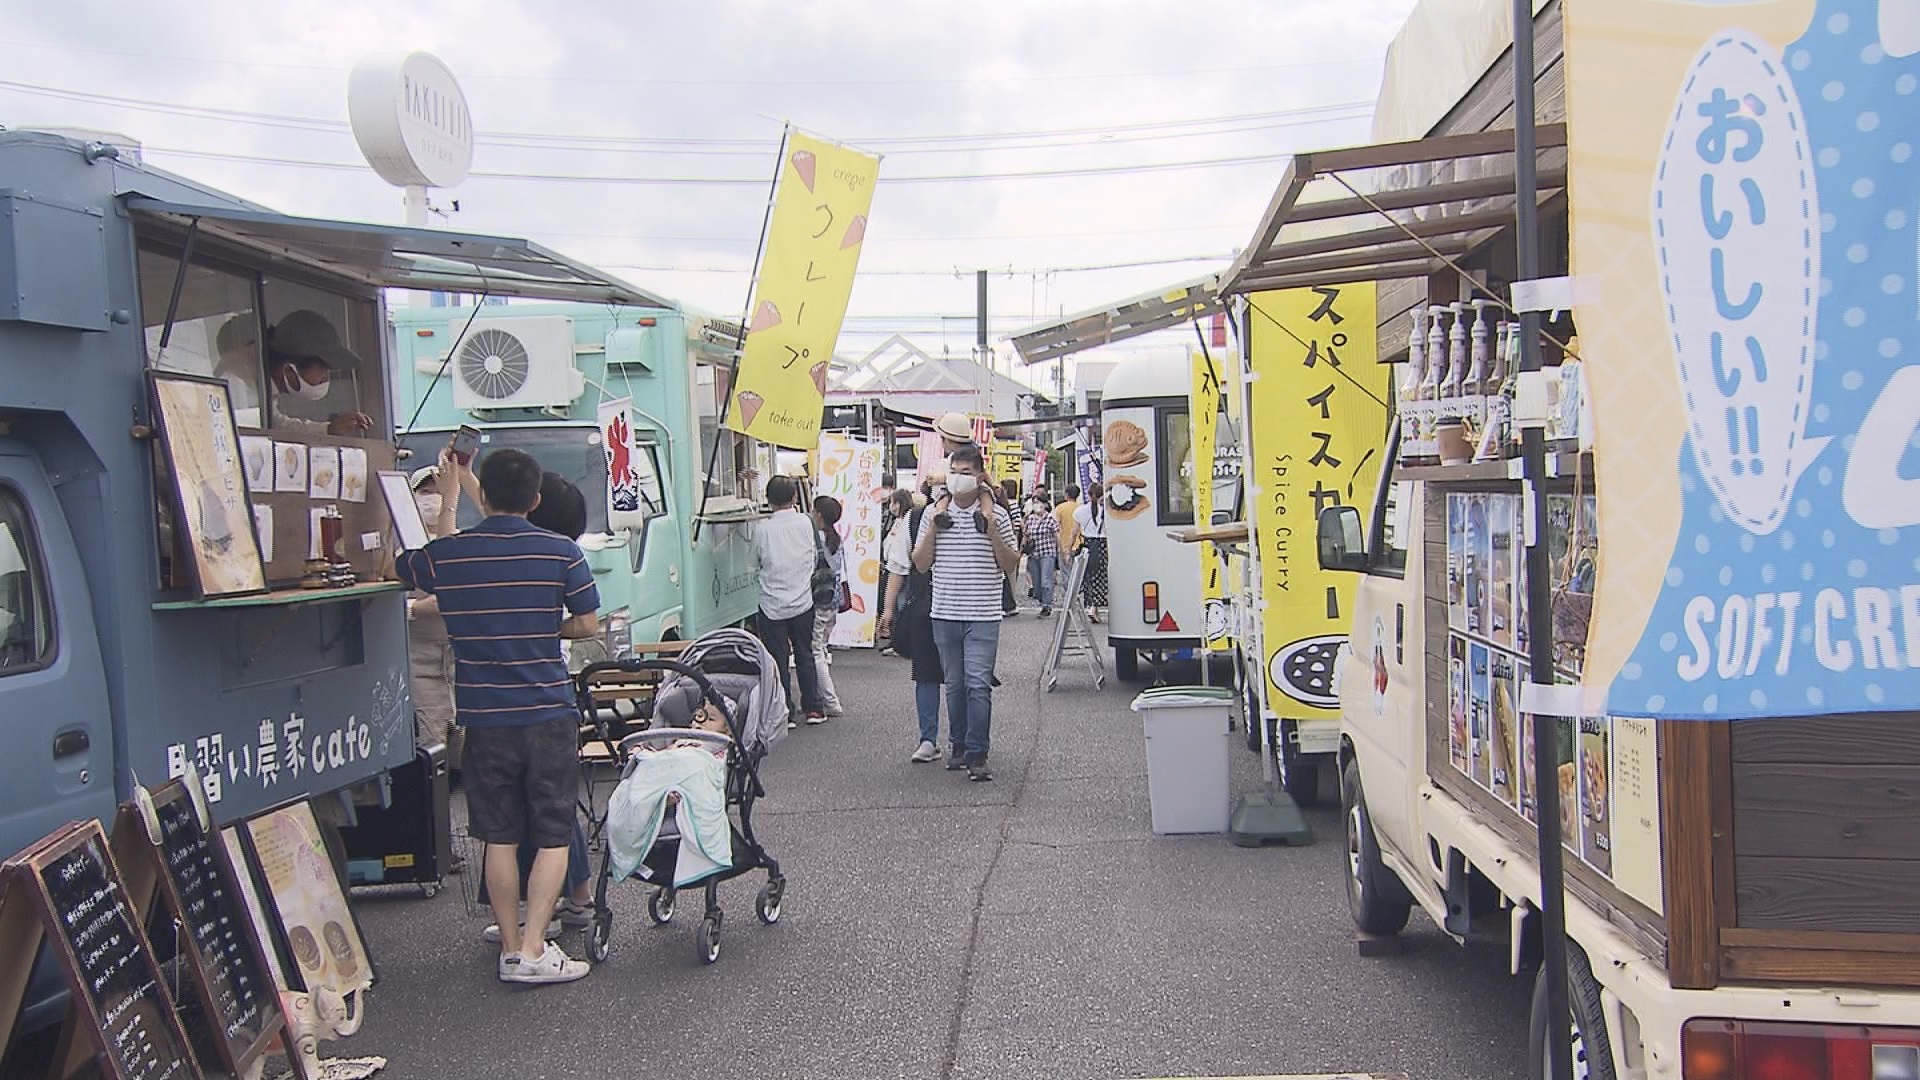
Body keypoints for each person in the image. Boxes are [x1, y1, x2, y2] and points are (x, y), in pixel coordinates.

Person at [395, 448, 599, 986]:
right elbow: (586, 625)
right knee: (554, 833)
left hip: (484, 718)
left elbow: (396, 566)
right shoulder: (561, 554)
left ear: (485, 495)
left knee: (499, 836)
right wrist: (539, 631)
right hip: (547, 713)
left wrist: (448, 499)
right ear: (535, 500)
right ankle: (536, 947)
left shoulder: (450, 555)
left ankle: (511, 947)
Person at [912, 444, 1019, 781]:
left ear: (979, 476)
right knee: (955, 685)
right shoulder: (933, 513)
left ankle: (977, 752)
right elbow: (920, 563)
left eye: (966, 473)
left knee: (977, 685)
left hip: (983, 613)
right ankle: (957, 744)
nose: (960, 479)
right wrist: (933, 528)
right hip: (944, 611)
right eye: (954, 472)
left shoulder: (996, 515)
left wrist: (990, 531)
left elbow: (1011, 564)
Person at [218, 309, 373, 435]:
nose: (325, 379)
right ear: (289, 370)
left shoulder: (261, 380)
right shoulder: (238, 384)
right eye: (324, 371)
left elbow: (275, 424)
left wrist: (329, 429)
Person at [879, 482, 946, 762]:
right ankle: (928, 738)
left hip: (966, 607)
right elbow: (898, 568)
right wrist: (888, 610)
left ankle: (967, 741)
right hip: (924, 606)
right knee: (926, 674)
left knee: (964, 678)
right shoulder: (915, 519)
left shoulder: (979, 513)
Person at [751, 476, 825, 727]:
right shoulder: (805, 522)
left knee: (777, 658)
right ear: (794, 497)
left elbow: (755, 561)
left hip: (772, 602)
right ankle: (814, 707)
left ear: (768, 500)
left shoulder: (762, 529)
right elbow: (814, 555)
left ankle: (785, 711)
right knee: (805, 653)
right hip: (803, 599)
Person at [809, 495, 847, 719]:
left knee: (816, 651)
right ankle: (825, 696)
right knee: (822, 647)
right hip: (833, 600)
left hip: (818, 601)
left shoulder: (816, 539)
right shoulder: (836, 539)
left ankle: (831, 701)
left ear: (819, 515)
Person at [1023, 491, 1062, 618]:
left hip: (1047, 552)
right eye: (1034, 502)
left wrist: (1062, 551)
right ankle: (1041, 599)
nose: (1036, 505)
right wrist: (1021, 549)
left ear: (1045, 504)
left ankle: (1047, 605)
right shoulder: (1030, 519)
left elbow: (1057, 535)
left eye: (1039, 502)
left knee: (1046, 580)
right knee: (1036, 582)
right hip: (1034, 554)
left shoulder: (1050, 518)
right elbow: (1026, 535)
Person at [1075, 482, 1109, 622]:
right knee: (1101, 578)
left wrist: (1067, 549)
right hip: (1101, 546)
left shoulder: (1080, 511)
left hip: (1087, 545)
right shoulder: (1106, 512)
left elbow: (1073, 532)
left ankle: (1091, 606)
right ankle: (1094, 608)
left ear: (1088, 494)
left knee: (1088, 577)